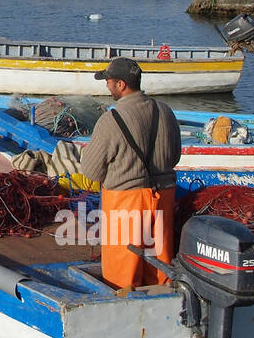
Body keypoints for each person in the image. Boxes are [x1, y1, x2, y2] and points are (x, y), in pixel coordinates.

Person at [78, 58, 182, 290]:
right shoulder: (165, 111)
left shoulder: (110, 121)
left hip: (125, 204)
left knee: (122, 276)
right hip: (162, 200)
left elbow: (91, 171)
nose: (106, 86)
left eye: (108, 81)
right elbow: (174, 157)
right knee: (159, 271)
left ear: (121, 85)